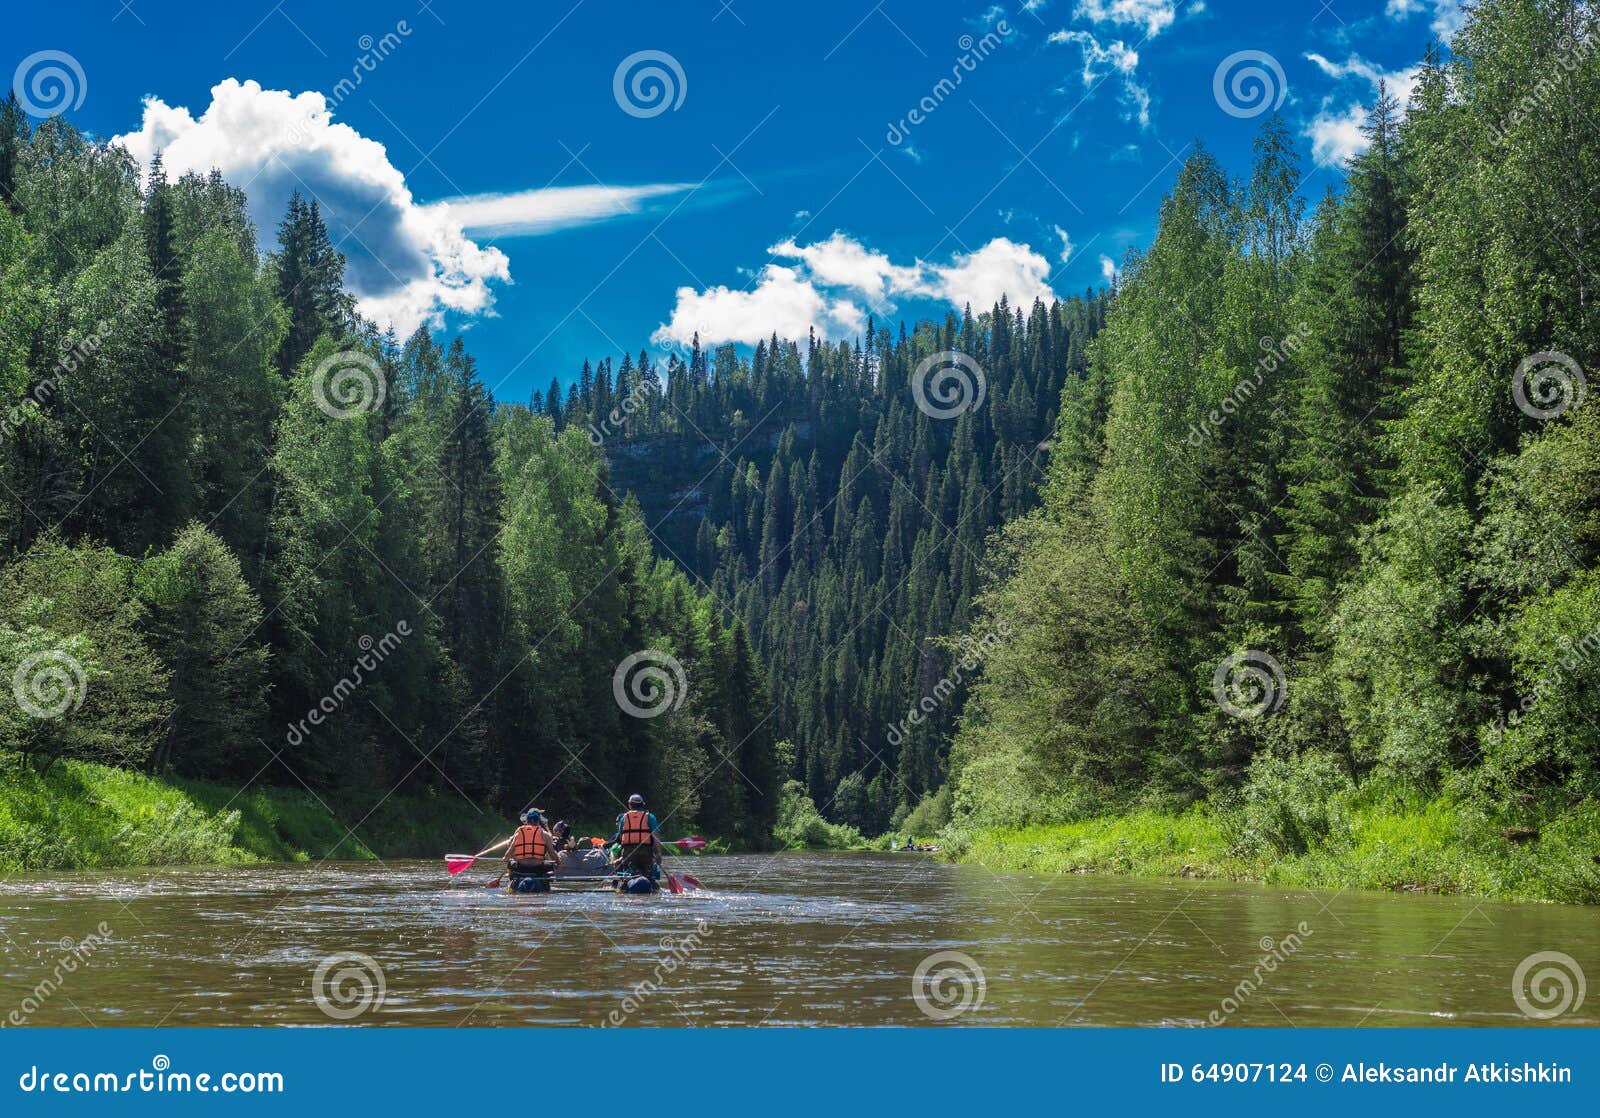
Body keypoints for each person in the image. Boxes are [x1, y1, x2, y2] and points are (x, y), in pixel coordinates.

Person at [607, 794, 662, 880]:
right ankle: (649, 882)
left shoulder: (623, 818)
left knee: (630, 874)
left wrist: (606, 846)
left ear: (629, 805)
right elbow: (656, 836)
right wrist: (658, 853)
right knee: (648, 875)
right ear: (643, 804)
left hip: (628, 853)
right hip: (646, 852)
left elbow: (619, 838)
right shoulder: (650, 817)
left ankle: (628, 882)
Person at [505, 809, 557, 891]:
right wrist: (558, 861)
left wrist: (514, 857)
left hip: (521, 868)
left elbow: (506, 857)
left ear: (526, 822)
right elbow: (554, 856)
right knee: (550, 865)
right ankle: (545, 884)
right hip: (538, 868)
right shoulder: (545, 835)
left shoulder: (518, 833)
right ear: (538, 822)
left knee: (510, 863)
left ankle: (513, 883)